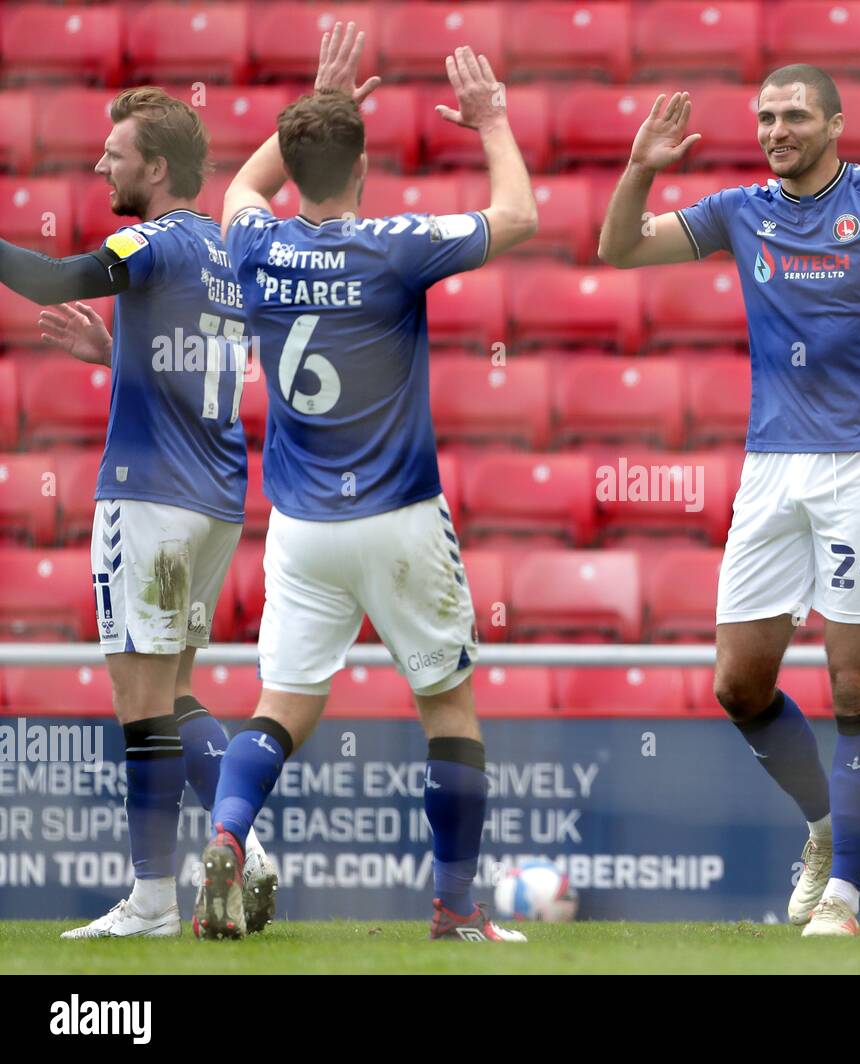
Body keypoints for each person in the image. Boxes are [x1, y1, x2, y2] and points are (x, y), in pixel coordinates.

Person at [597, 65, 860, 936]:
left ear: (836, 124)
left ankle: (844, 899)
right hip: (769, 469)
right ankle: (822, 829)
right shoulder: (739, 209)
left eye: (794, 116)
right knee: (739, 686)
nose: (776, 129)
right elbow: (621, 250)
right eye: (766, 117)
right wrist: (640, 167)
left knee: (854, 682)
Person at [194, 24, 537, 943]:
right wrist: (492, 120)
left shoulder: (255, 246)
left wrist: (317, 102)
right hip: (399, 516)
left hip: (300, 525)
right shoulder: (394, 244)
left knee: (282, 708)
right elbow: (518, 217)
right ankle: (457, 911)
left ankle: (228, 832)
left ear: (299, 164)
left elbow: (238, 186)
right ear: (367, 160)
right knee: (449, 707)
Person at [0, 86, 275, 938]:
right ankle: (244, 844)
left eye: (114, 154)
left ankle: (153, 900)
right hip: (218, 501)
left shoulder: (151, 241)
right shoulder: (224, 252)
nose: (99, 165)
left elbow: (51, 275)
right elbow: (193, 367)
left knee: (141, 703)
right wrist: (114, 351)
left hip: (148, 498)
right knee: (178, 691)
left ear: (156, 169)